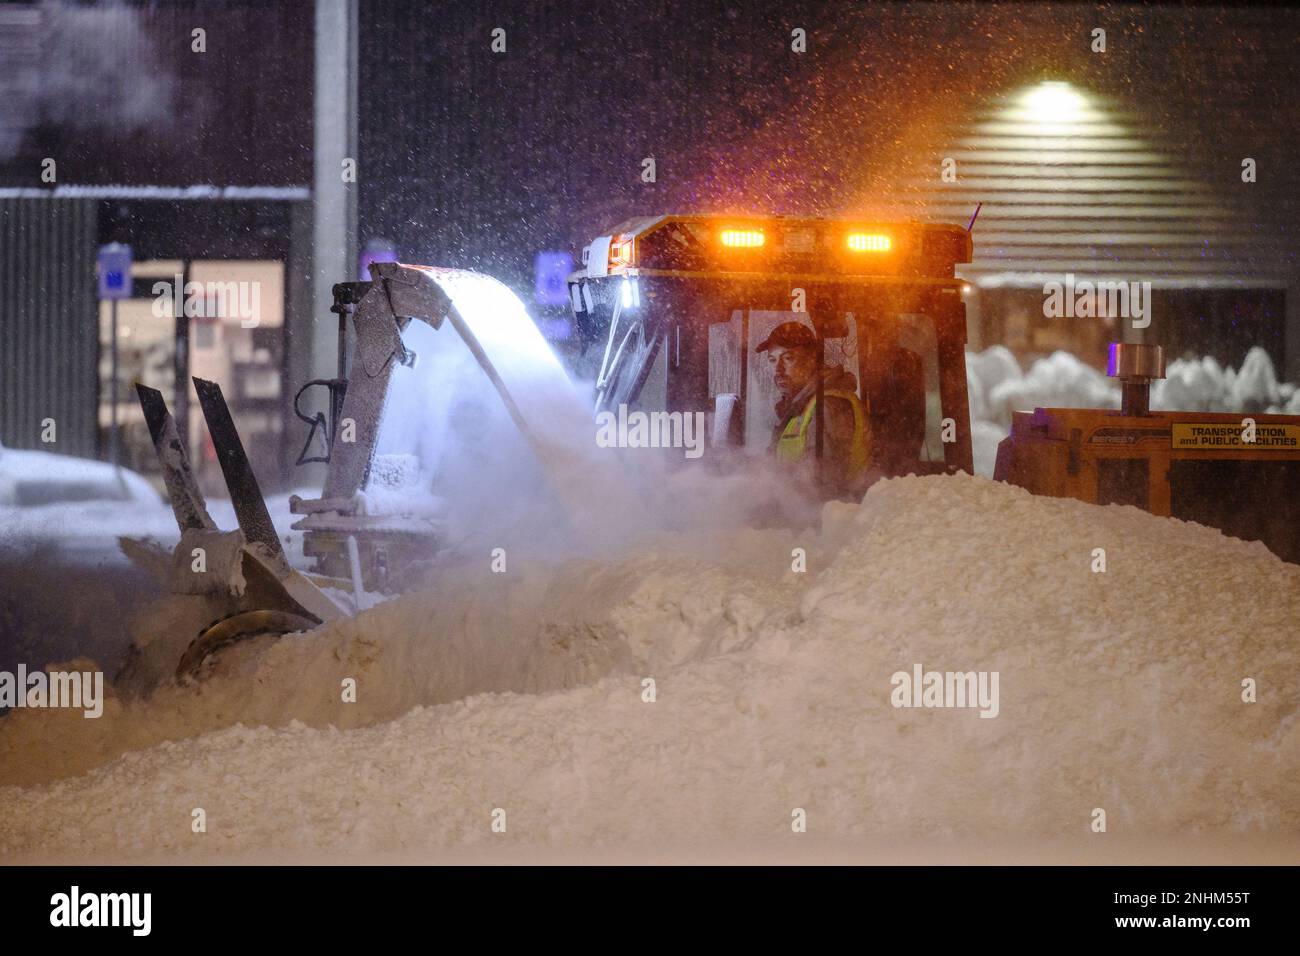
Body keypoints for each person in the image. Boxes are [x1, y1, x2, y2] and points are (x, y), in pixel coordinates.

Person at [757, 321, 871, 497]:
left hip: (828, 522)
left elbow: (825, 489)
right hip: (799, 519)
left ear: (812, 359)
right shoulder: (801, 408)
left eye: (788, 358)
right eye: (772, 360)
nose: (778, 369)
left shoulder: (828, 406)